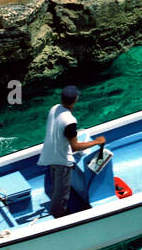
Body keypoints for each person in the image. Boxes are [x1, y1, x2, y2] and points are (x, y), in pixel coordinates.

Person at [37, 85, 105, 219]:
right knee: (62, 192)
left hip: (50, 154)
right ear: (75, 100)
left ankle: (56, 208)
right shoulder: (70, 121)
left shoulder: (54, 108)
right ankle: (59, 216)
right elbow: (75, 147)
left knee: (56, 184)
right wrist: (97, 142)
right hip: (62, 160)